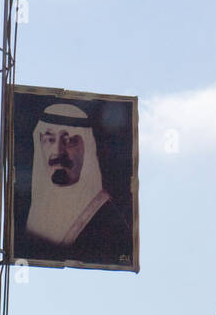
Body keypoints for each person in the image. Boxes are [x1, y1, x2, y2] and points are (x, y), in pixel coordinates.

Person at [18, 102, 131, 264]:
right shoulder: (33, 210)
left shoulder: (106, 220)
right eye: (49, 139)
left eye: (69, 140)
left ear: (87, 148)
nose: (57, 151)